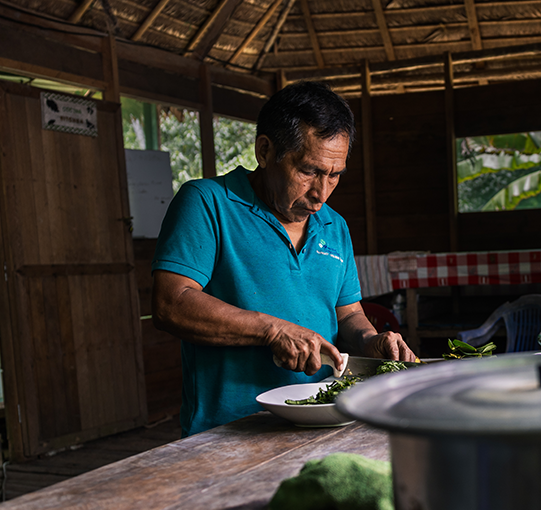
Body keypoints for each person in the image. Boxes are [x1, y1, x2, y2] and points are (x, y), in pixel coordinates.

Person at [151, 81, 416, 436]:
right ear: (265, 151)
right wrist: (272, 330)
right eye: (308, 171)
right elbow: (171, 303)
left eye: (334, 175)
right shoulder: (207, 203)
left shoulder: (334, 226)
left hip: (324, 420)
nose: (321, 193)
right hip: (229, 431)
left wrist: (371, 340)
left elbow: (348, 313)